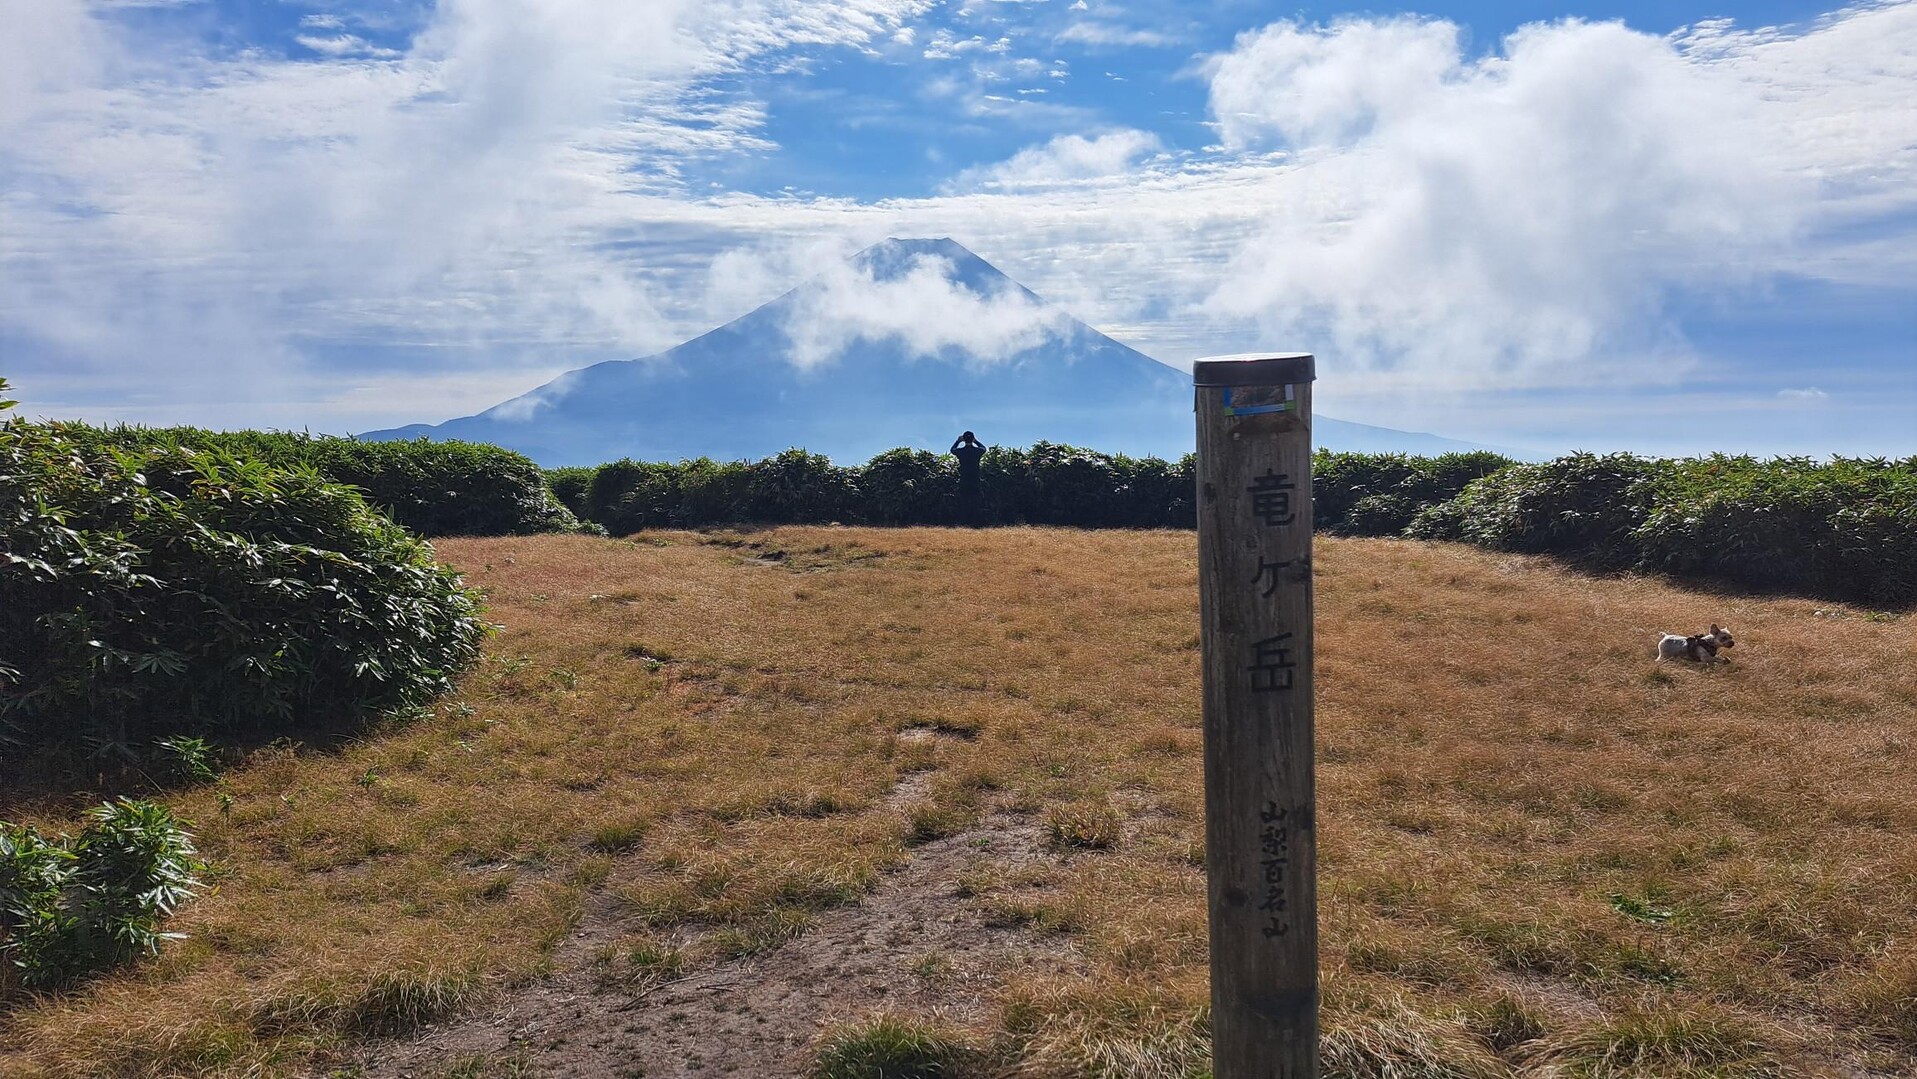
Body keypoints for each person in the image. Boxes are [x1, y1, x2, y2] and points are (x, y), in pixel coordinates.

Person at [950, 431, 987, 525]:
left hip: (964, 480)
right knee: (976, 503)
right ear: (972, 438)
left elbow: (952, 450)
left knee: (963, 503)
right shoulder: (977, 452)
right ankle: (976, 523)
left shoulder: (961, 452)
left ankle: (963, 523)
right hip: (975, 480)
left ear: (964, 439)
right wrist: (976, 441)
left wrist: (958, 441)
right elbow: (984, 448)